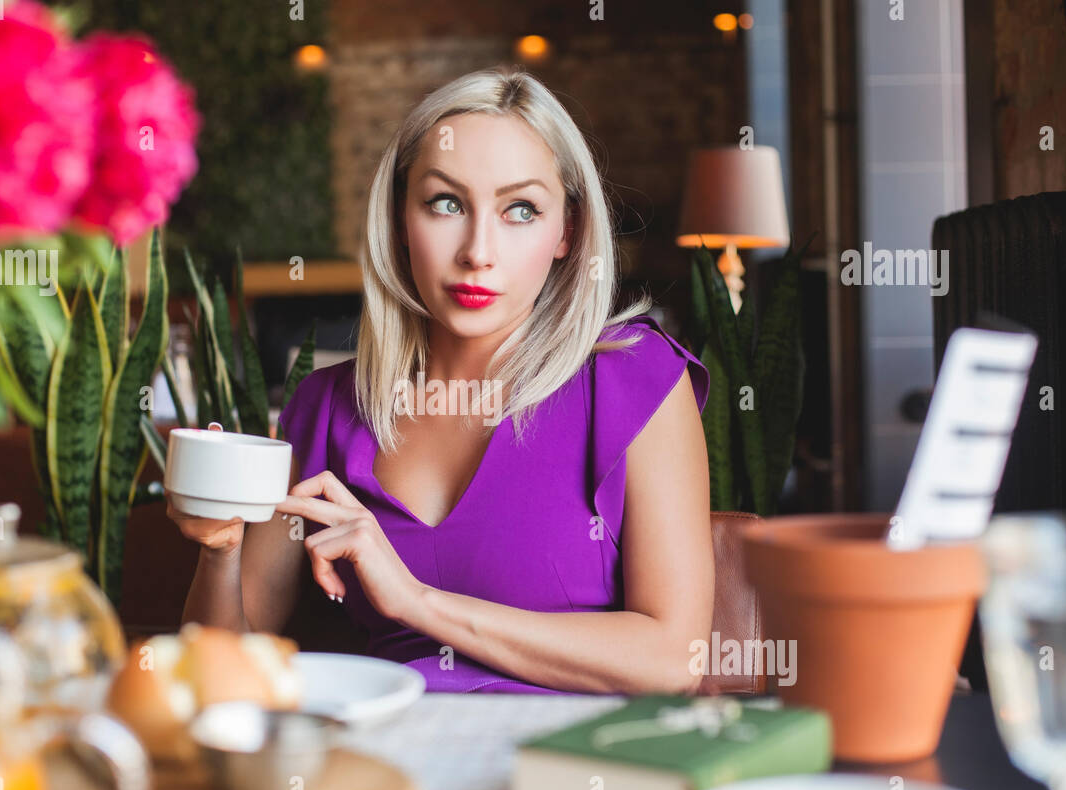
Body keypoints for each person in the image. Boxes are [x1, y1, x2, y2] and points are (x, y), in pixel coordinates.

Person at [171, 67, 713, 695]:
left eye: (521, 210)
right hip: (389, 769)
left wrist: (419, 603)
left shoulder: (633, 378)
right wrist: (220, 547)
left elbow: (676, 659)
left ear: (567, 232)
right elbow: (220, 678)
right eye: (446, 203)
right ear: (402, 218)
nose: (477, 250)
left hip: (567, 774)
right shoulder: (324, 408)